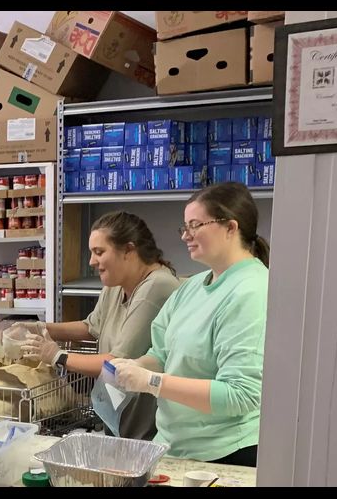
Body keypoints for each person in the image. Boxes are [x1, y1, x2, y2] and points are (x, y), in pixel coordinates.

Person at [108, 182, 270, 467]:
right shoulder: (193, 286)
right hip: (173, 446)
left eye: (195, 225)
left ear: (231, 228)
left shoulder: (251, 290)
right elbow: (161, 354)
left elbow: (240, 395)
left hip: (224, 454)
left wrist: (152, 382)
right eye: (184, 227)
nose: (185, 235)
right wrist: (134, 367)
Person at [21, 211, 180, 441]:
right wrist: (39, 327)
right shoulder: (117, 282)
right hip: (120, 413)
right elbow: (90, 327)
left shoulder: (156, 287)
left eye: (99, 252)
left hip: (146, 423)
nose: (91, 262)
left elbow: (118, 361)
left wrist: (59, 356)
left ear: (128, 250)